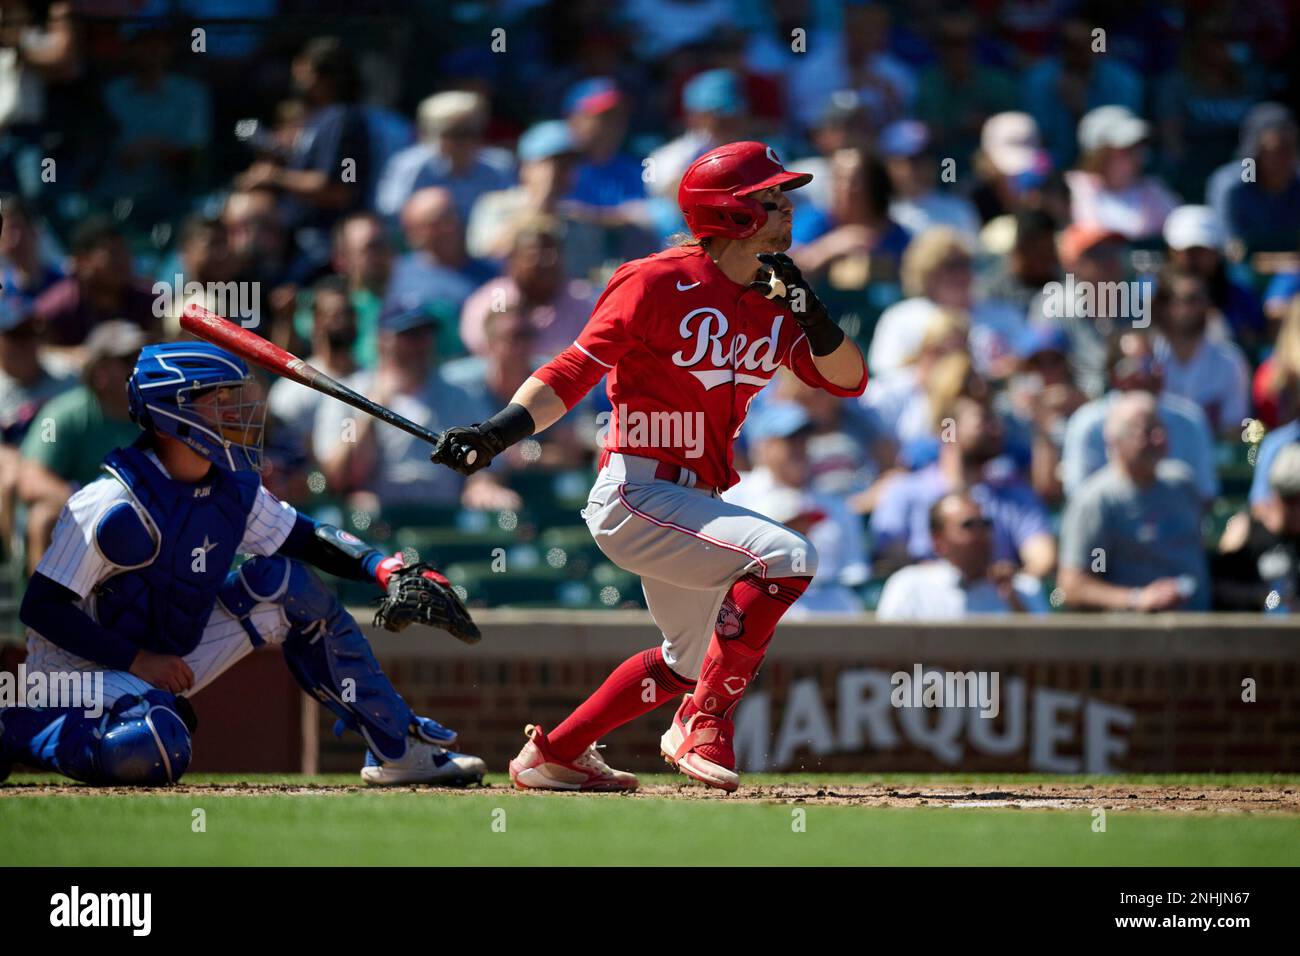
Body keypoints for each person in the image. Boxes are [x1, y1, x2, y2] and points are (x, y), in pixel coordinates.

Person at [430, 141, 867, 793]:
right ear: (730, 213)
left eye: (784, 197)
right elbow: (576, 369)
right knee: (788, 557)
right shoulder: (657, 279)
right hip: (638, 490)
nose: (786, 208)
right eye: (769, 199)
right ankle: (702, 721)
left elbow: (849, 380)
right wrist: (499, 431)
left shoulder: (778, 297)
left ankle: (557, 754)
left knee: (689, 660)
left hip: (698, 503)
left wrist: (809, 307)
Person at [0, 341, 484, 787]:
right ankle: (17, 726)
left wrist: (384, 569)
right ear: (174, 411)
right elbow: (42, 609)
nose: (234, 410)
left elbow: (303, 536)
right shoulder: (109, 504)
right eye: (218, 400)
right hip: (78, 671)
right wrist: (137, 663)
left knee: (288, 586)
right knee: (149, 747)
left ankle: (398, 747)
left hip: (167, 654)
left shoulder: (232, 487)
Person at [312, 300, 518, 512]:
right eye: (409, 335)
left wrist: (482, 483)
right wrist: (370, 413)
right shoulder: (348, 394)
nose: (420, 343)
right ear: (383, 340)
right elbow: (335, 475)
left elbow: (491, 458)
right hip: (377, 519)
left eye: (425, 334)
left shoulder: (459, 396)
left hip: (444, 517)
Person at [870, 391, 1055, 578]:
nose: (997, 429)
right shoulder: (904, 491)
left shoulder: (1015, 495)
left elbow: (1042, 559)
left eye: (997, 421)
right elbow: (889, 557)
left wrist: (999, 586)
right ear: (948, 430)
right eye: (984, 420)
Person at [1057, 391, 1209, 611]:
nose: (1158, 438)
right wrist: (1137, 598)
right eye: (1145, 431)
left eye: (1160, 428)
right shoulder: (1099, 501)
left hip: (1198, 630)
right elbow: (1076, 584)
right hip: (1134, 635)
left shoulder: (1182, 484)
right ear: (1115, 441)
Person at [17, 321, 147, 573]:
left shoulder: (159, 415)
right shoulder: (61, 414)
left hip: (149, 517)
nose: (141, 365)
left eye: (143, 355)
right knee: (43, 517)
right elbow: (30, 479)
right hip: (83, 522)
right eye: (128, 358)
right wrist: (92, 506)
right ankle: (45, 610)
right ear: (99, 372)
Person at [725, 402, 869, 616]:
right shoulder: (735, 494)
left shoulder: (835, 505)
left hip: (826, 603)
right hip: (755, 599)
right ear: (762, 446)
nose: (799, 447)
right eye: (789, 440)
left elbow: (853, 573)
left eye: (803, 439)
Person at [1060, 330, 1218, 501]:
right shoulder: (1087, 423)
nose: (1148, 372)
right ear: (1113, 375)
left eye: (1153, 363)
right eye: (1135, 366)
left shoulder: (1189, 419)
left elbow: (1204, 494)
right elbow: (1079, 498)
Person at [876, 493, 1048, 619]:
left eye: (986, 524)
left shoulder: (1024, 589)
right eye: (968, 526)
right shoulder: (909, 586)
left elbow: (1045, 661)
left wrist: (1014, 601)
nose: (981, 534)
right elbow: (887, 656)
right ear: (938, 540)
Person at [459, 215, 596, 360]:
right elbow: (482, 341)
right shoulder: (498, 296)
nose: (547, 262)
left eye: (551, 253)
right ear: (513, 259)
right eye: (535, 254)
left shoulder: (581, 298)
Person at [374, 90, 514, 225]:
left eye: (472, 132)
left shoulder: (499, 165)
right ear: (430, 135)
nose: (465, 141)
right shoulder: (409, 166)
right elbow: (390, 213)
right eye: (455, 134)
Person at [1152, 267, 1250, 438]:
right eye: (1189, 300)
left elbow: (1233, 430)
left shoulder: (1230, 361)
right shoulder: (1146, 358)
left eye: (1202, 299)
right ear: (1164, 307)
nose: (1199, 307)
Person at [32, 216, 158, 347]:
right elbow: (38, 349)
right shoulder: (56, 310)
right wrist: (77, 356)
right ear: (83, 260)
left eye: (125, 251)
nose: (123, 261)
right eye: (113, 253)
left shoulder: (149, 301)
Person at [1065, 105, 1178, 242]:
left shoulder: (1154, 190)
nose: (1137, 154)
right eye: (1126, 149)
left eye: (1138, 146)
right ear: (1098, 155)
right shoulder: (1069, 190)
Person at [1213, 443, 1300, 612]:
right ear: (1274, 495)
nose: (1294, 509)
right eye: (1287, 499)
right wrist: (1268, 597)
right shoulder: (1248, 532)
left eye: (1298, 499)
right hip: (1260, 632)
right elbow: (1221, 589)